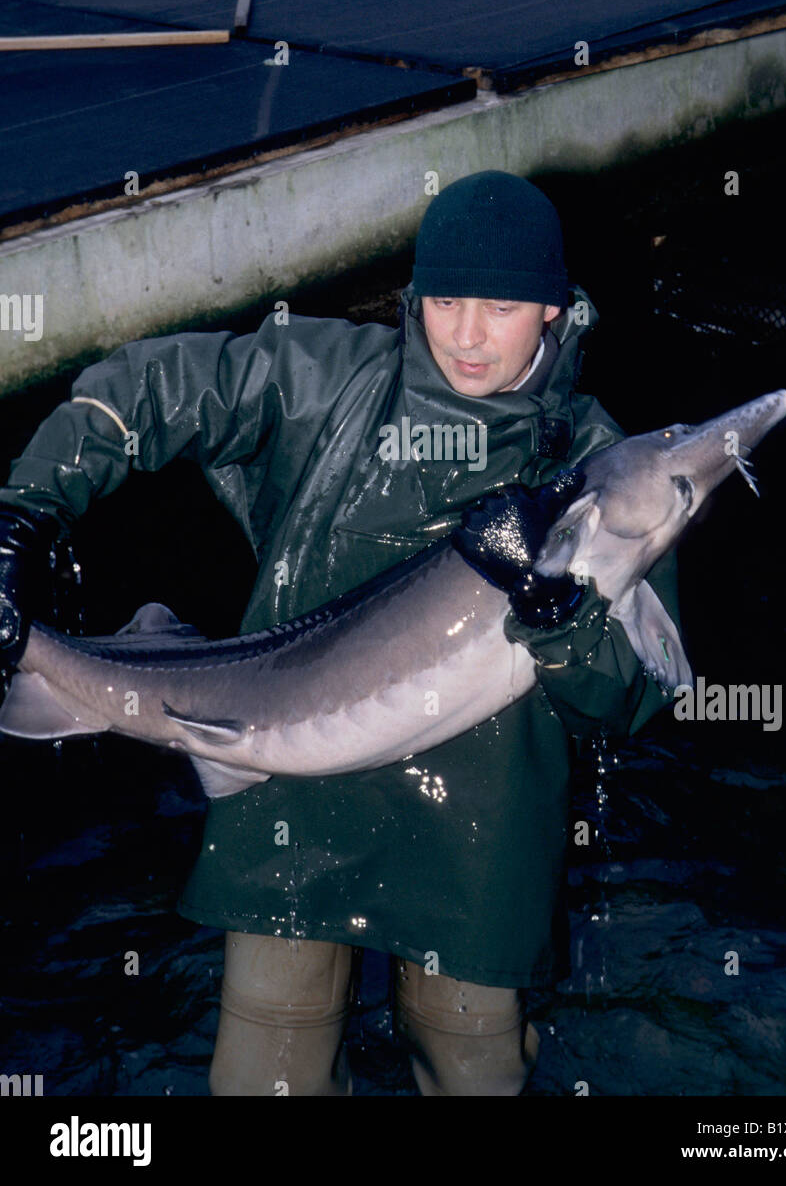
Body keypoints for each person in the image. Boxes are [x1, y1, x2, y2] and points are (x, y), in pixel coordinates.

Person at [0, 170, 680, 1096]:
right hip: (288, 803)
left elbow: (630, 701)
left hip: (481, 829)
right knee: (261, 1078)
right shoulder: (327, 380)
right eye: (445, 301)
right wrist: (25, 511)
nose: (468, 336)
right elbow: (149, 386)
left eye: (503, 307)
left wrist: (560, 618)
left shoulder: (601, 469)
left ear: (555, 312)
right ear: (415, 298)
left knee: (474, 1070)